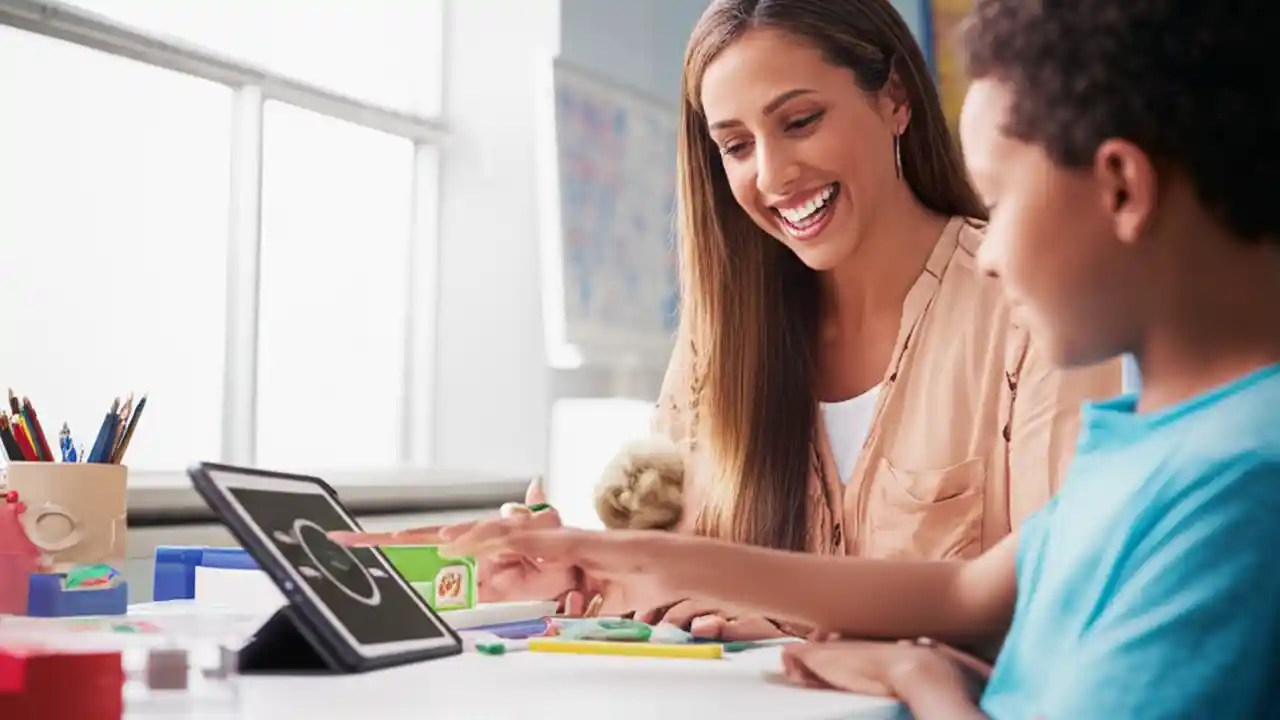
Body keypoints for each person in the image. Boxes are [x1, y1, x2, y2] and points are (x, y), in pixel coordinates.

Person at [434, 0, 1280, 716]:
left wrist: (916, 672)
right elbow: (963, 595)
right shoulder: (1138, 447)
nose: (988, 250)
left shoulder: (1233, 476)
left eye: (1006, 196)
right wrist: (600, 559)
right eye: (734, 144)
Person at [335, 0, 1119, 638]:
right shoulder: (718, 345)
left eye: (801, 120)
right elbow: (666, 581)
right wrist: (580, 574)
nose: (773, 175)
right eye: (736, 146)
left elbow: (1054, 599)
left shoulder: (1031, 305)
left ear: (895, 99)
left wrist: (784, 626)